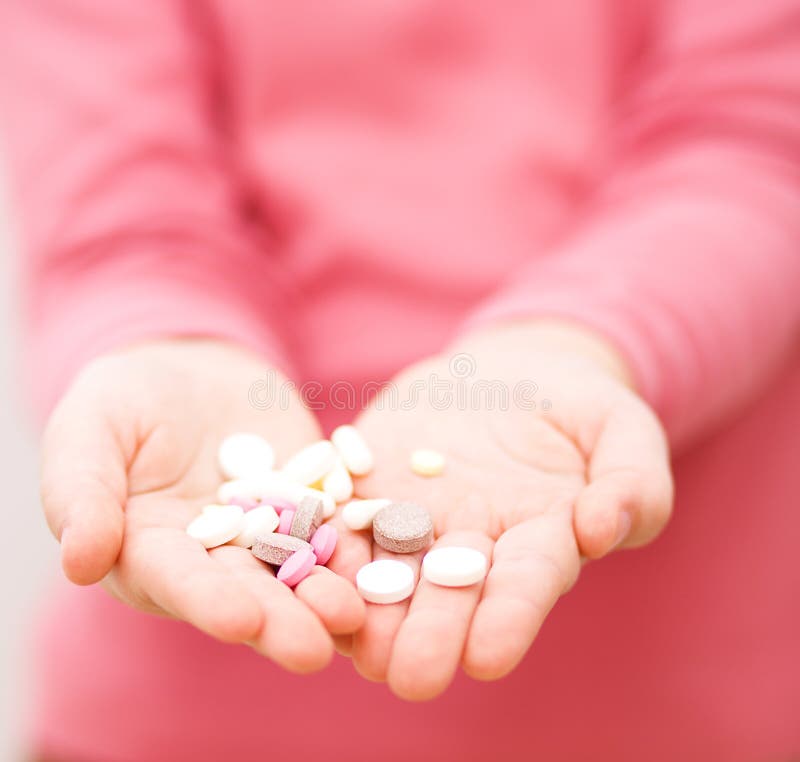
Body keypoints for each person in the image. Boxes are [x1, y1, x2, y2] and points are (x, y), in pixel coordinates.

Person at [1, 1, 798, 760]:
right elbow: (127, 209)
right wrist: (164, 340)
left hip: (680, 694)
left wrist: (572, 346)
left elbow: (756, 138)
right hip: (173, 715)